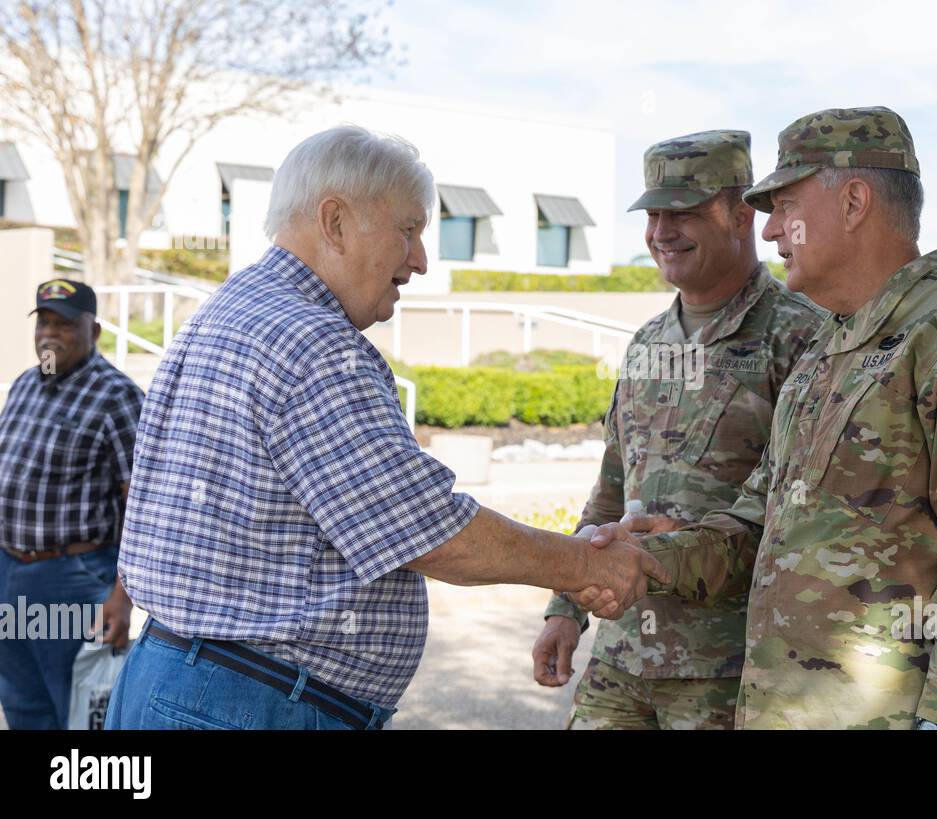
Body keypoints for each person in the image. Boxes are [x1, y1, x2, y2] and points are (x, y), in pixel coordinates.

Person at [105, 126, 664, 731]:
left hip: (190, 681)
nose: (420, 260)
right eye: (409, 230)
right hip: (245, 702)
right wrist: (585, 567)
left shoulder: (232, 309)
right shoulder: (313, 340)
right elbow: (426, 530)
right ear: (335, 221)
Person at [580, 107, 937, 729]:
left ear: (854, 202)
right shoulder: (824, 352)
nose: (770, 231)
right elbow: (755, 526)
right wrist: (654, 557)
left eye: (785, 207)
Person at [530, 130, 823, 729]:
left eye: (683, 212)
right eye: (653, 214)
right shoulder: (646, 344)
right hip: (621, 657)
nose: (662, 232)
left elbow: (807, 514)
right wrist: (564, 610)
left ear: (741, 215)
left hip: (730, 667)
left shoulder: (803, 336)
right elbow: (612, 488)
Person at [0, 279, 142, 729]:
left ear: (93, 330)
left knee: (76, 709)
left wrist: (122, 597)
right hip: (9, 571)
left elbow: (140, 504)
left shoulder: (117, 396)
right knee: (22, 702)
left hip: (70, 578)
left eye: (63, 325)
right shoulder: (25, 385)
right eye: (43, 322)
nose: (49, 334)